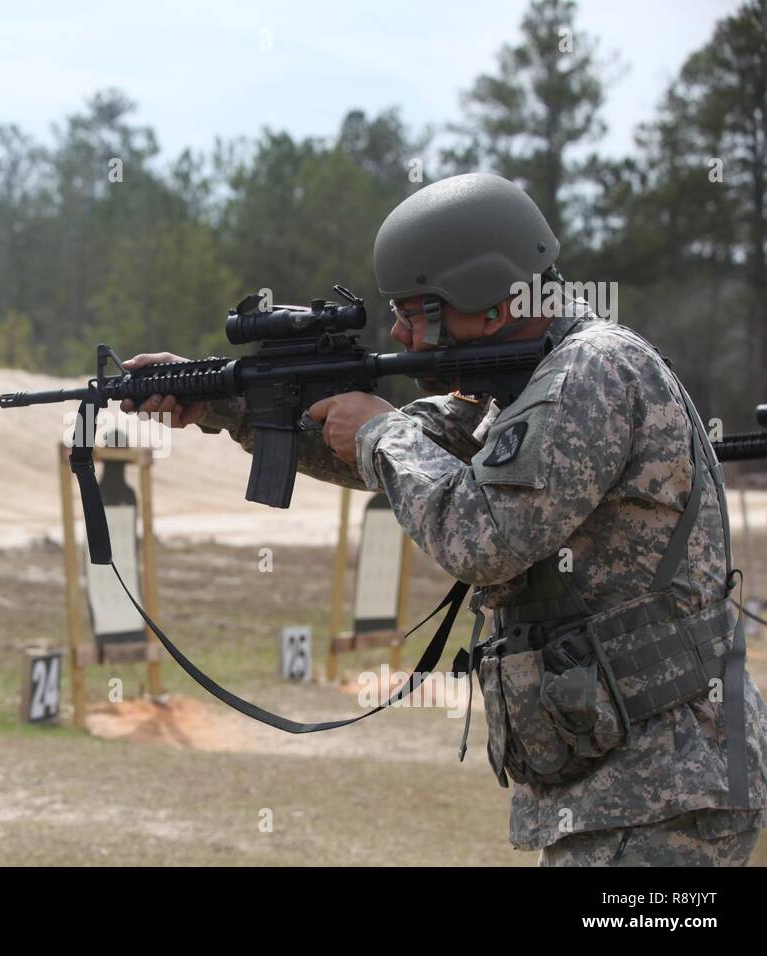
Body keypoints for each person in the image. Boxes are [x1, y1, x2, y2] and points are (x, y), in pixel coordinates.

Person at [120, 172, 767, 866]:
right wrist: (227, 401)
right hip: (628, 779)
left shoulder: (594, 371)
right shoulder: (527, 381)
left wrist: (380, 433)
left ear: (487, 301)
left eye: (415, 312)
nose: (399, 333)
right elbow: (401, 446)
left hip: (665, 785)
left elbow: (482, 537)